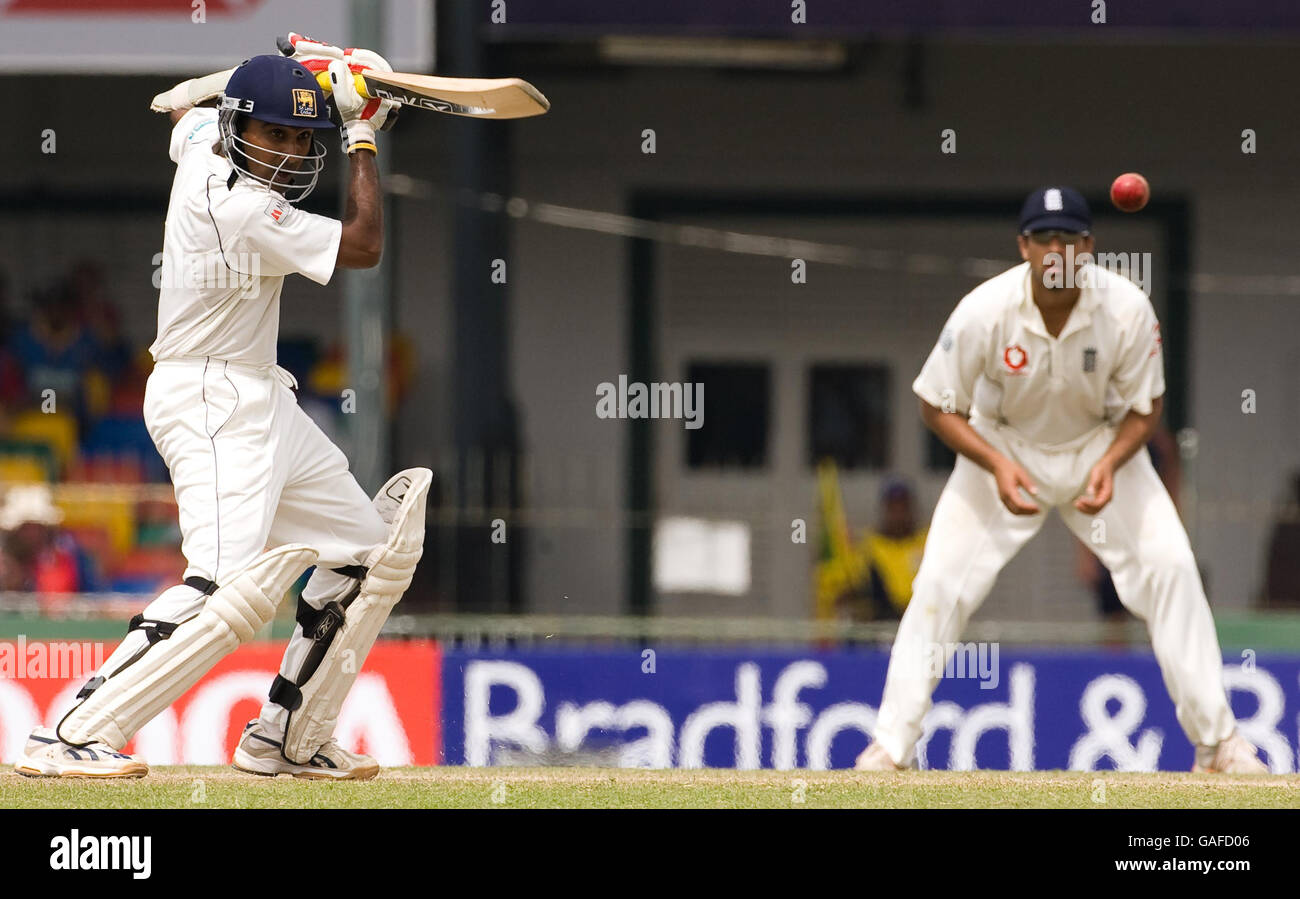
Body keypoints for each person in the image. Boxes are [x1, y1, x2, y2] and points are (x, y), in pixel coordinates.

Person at [15, 37, 431, 780]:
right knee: (220, 589)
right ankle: (72, 733)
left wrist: (313, 71)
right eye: (275, 134)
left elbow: (174, 98)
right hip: (208, 398)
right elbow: (364, 244)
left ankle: (288, 736)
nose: (289, 152)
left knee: (368, 553)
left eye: (303, 138)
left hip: (260, 392)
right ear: (241, 126)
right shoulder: (237, 206)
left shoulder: (204, 135)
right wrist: (360, 130)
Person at [855, 186, 1268, 774]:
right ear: (1023, 246)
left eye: (1069, 239)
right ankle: (892, 747)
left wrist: (1109, 463)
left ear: (1089, 247)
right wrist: (996, 463)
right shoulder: (984, 310)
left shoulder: (1125, 308)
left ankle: (1218, 745)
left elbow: (1146, 407)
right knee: (941, 583)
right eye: (1044, 238)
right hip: (1001, 444)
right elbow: (935, 403)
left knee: (1171, 567)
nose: (1056, 251)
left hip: (1100, 445)